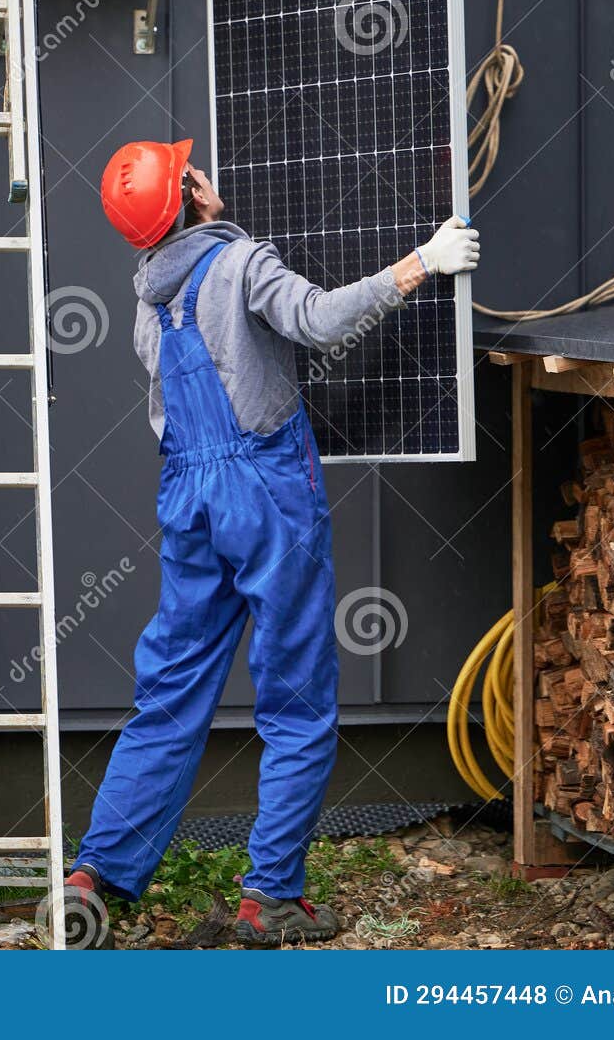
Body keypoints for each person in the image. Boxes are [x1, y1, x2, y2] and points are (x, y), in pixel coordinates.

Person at [66, 138, 480, 948]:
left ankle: (94, 877)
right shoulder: (242, 263)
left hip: (188, 500)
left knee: (170, 694)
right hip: (264, 495)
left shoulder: (147, 300)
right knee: (294, 698)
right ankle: (269, 897)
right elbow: (319, 320)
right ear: (189, 193)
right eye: (192, 171)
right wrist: (420, 262)